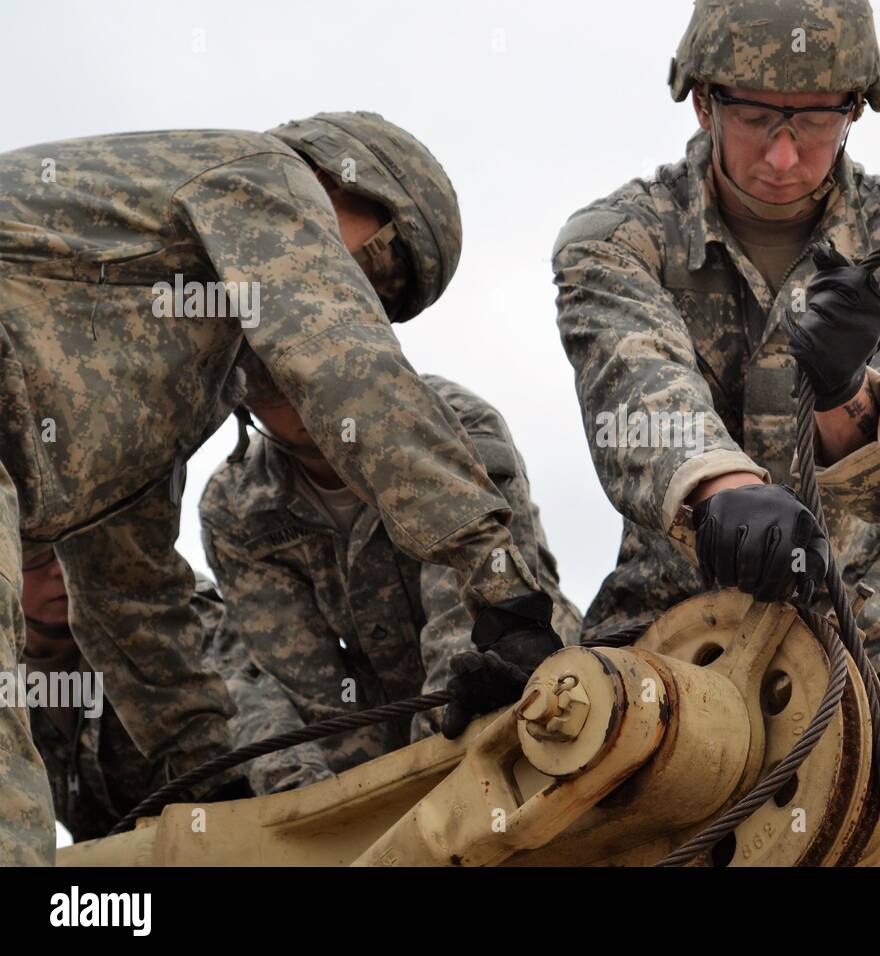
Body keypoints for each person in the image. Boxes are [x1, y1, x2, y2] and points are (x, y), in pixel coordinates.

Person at [0, 110, 559, 864]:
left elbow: (123, 582)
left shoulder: (185, 367)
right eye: (381, 277)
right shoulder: (262, 174)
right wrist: (500, 584)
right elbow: (340, 356)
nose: (366, 302)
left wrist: (209, 781)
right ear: (348, 182)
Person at [552, 0, 880, 864]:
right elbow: (633, 378)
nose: (784, 155)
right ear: (703, 103)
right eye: (756, 118)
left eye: (815, 122)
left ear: (854, 112)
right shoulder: (619, 242)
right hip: (670, 625)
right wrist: (722, 490)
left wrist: (845, 395)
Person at [200, 371, 580, 793]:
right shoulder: (236, 505)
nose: (304, 393)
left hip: (521, 676)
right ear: (242, 395)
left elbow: (473, 615)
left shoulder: (451, 421)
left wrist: (436, 775)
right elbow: (314, 690)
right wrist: (363, 807)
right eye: (274, 381)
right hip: (385, 714)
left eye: (313, 366)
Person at [19, 544, 227, 841]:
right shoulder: (7, 676)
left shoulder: (164, 612)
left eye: (72, 544)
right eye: (37, 554)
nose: (60, 567)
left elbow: (257, 733)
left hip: (218, 838)